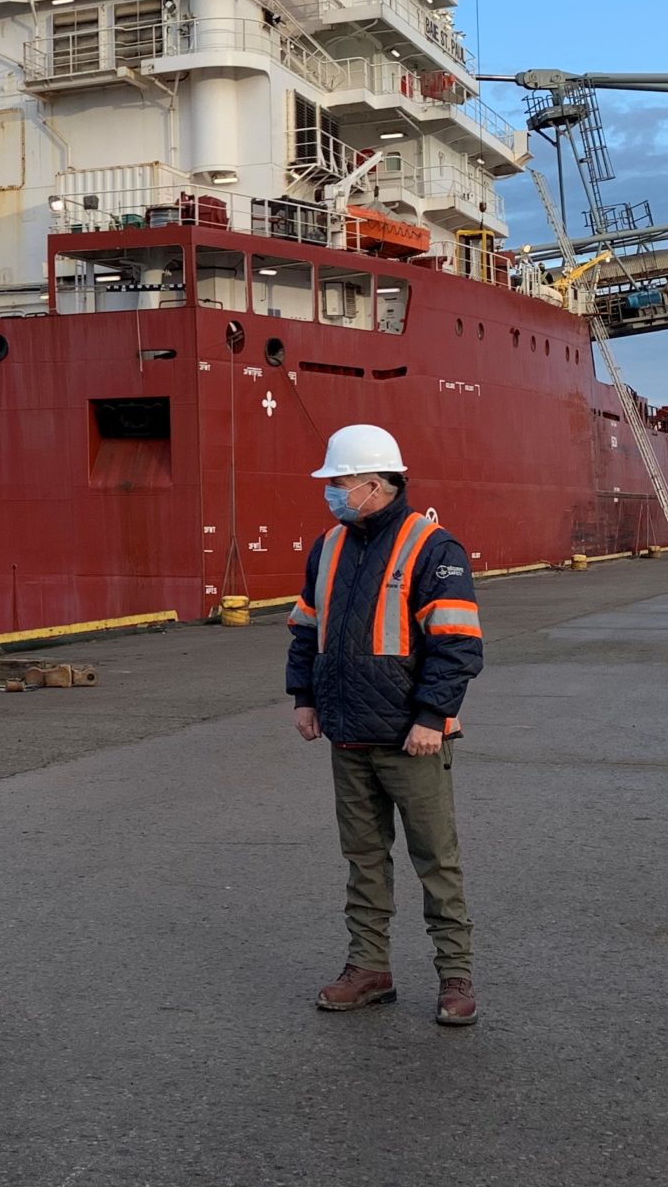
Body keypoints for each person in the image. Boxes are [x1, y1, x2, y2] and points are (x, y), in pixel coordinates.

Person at [287, 424, 484, 1026]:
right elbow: (305, 628)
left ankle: (455, 977)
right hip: (348, 733)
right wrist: (304, 696)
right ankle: (368, 968)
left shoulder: (432, 547)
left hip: (412, 739)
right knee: (364, 857)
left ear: (374, 484)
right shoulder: (328, 546)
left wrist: (431, 716)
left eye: (339, 483)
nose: (332, 493)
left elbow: (457, 644)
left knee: (436, 861)